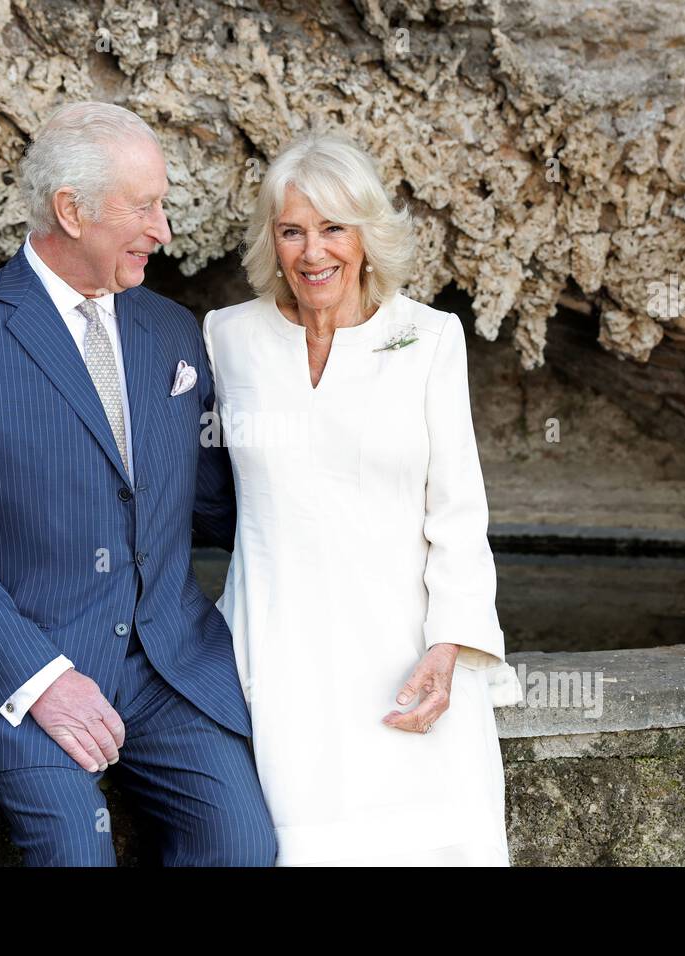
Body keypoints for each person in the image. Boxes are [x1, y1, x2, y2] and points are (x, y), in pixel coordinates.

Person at [0, 101, 275, 867]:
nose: (164, 230)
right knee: (72, 850)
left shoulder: (172, 331)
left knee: (242, 846)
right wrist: (44, 679)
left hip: (168, 663)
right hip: (25, 666)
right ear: (71, 210)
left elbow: (224, 502)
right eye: (144, 207)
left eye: (163, 204)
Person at [202, 132, 524, 866]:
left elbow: (459, 515)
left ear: (367, 236)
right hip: (280, 666)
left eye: (333, 228)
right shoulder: (228, 339)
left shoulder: (430, 339)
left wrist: (449, 649)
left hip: (407, 660)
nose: (313, 252)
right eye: (292, 231)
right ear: (271, 240)